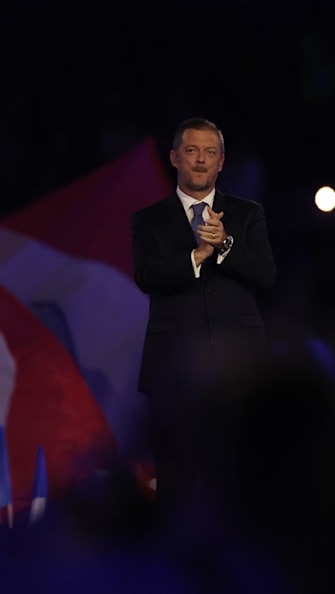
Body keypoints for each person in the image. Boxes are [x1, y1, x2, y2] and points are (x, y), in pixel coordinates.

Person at [131, 117, 277, 513]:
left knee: (241, 481)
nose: (200, 161)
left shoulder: (247, 215)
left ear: (221, 162)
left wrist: (225, 245)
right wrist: (195, 257)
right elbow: (146, 276)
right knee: (176, 484)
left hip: (239, 371)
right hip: (173, 370)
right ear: (175, 157)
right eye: (192, 151)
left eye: (209, 153)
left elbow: (266, 275)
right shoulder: (149, 219)